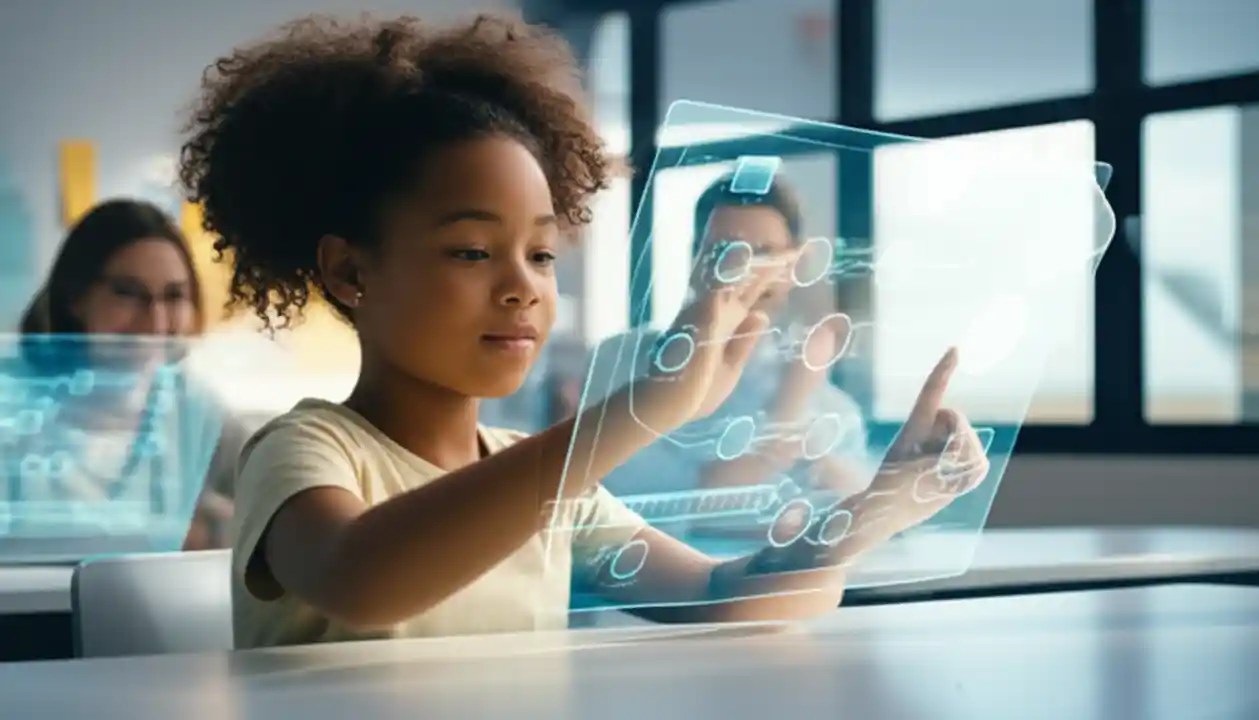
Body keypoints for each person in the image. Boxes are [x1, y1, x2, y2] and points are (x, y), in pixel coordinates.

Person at [178, 13, 988, 650]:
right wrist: (639, 411)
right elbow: (363, 579)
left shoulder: (550, 486)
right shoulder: (307, 450)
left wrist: (873, 513)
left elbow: (729, 597)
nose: (523, 287)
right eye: (471, 251)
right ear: (351, 273)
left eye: (540, 254)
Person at [588, 173, 875, 508]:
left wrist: (794, 406)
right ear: (696, 259)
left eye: (764, 253)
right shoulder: (616, 363)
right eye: (724, 251)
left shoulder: (831, 408)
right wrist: (785, 426)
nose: (743, 270)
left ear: (796, 264)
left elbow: (861, 515)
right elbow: (639, 503)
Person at [12, 199, 249, 551]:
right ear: (75, 296)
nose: (155, 323)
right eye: (128, 293)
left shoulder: (197, 411)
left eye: (174, 296)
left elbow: (278, 522)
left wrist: (213, 529)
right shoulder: (15, 406)